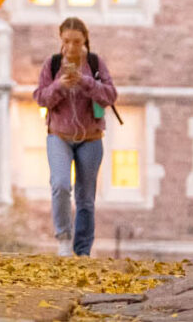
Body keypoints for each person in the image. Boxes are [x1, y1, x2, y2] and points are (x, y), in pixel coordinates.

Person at [33, 16, 117, 257]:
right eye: (67, 41)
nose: (71, 47)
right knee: (60, 185)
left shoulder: (95, 63)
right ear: (61, 40)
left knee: (86, 197)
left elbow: (110, 95)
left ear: (85, 40)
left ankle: (82, 251)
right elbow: (40, 97)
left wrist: (86, 82)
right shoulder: (52, 64)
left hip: (90, 137)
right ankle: (63, 237)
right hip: (59, 135)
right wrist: (60, 85)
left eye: (77, 41)